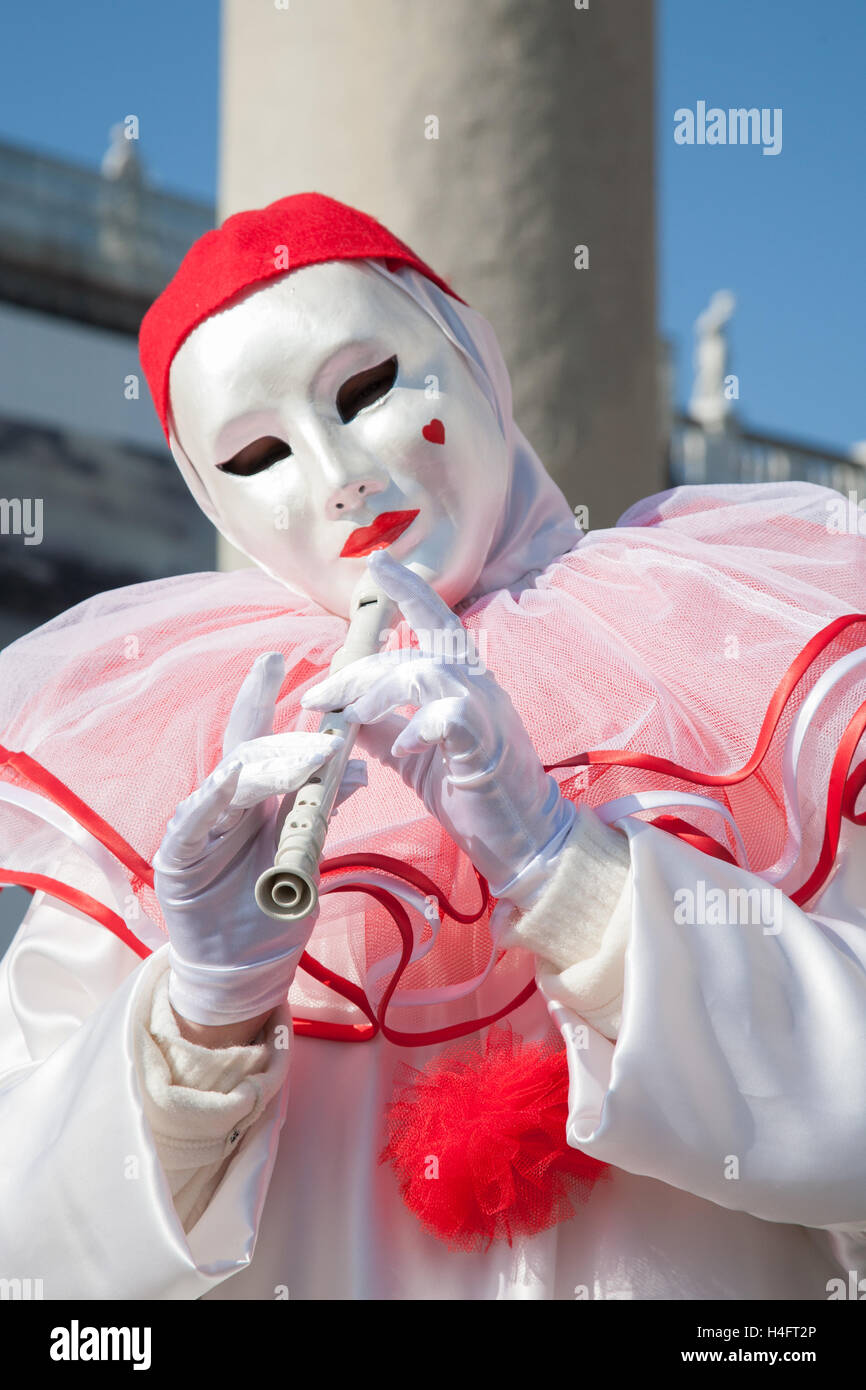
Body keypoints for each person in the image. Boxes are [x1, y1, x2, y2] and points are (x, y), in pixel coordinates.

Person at [1, 192, 865, 1301]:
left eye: (363, 390)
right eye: (258, 454)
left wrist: (576, 876)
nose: (335, 474)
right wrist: (196, 1020)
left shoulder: (743, 668)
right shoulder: (179, 770)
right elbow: (32, 1263)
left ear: (473, 360)